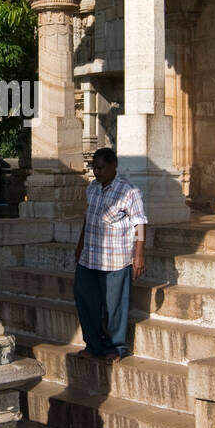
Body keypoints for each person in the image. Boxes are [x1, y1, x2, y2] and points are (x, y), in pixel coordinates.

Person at [73, 148, 147, 363]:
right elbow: (89, 217)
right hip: (90, 256)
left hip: (116, 258)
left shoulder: (130, 191)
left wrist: (139, 255)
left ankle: (115, 348)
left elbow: (140, 223)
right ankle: (93, 345)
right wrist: (80, 244)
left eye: (101, 167)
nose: (97, 172)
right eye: (94, 168)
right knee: (85, 300)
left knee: (114, 306)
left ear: (114, 165)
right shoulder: (92, 188)